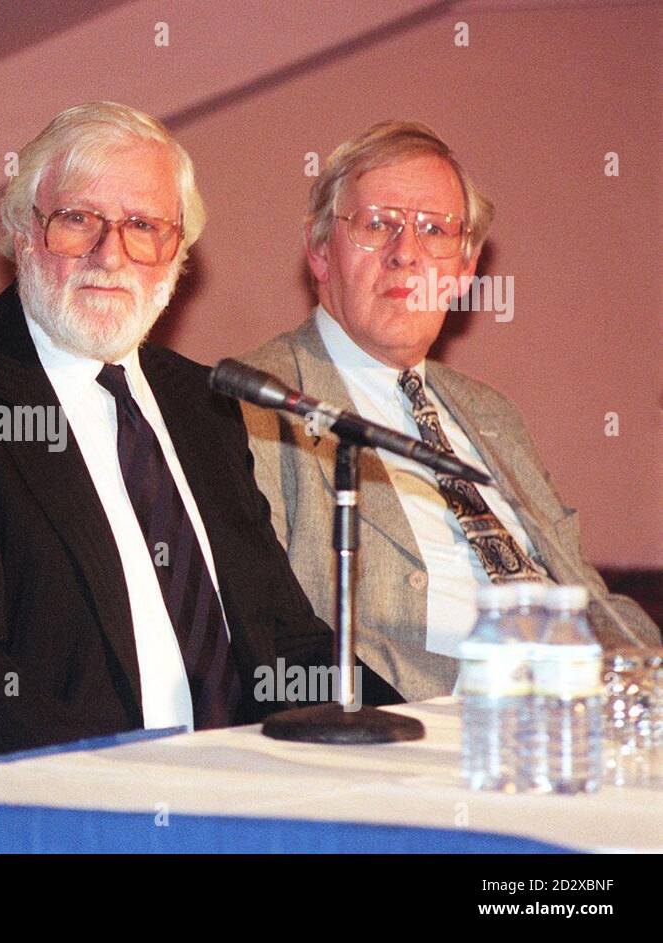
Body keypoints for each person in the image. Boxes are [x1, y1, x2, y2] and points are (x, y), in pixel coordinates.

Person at [0, 102, 396, 763]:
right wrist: (135, 781)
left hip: (237, 791)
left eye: (143, 226)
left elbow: (282, 640)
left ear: (177, 253)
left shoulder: (203, 402)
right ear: (25, 231)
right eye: (78, 219)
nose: (110, 254)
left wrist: (420, 731)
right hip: (57, 805)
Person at [239, 120, 660, 702]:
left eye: (434, 231)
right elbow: (271, 635)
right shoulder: (255, 403)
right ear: (319, 250)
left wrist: (640, 677)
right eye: (378, 225)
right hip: (422, 729)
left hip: (576, 715)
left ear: (464, 271)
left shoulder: (492, 415)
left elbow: (585, 594)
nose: (405, 254)